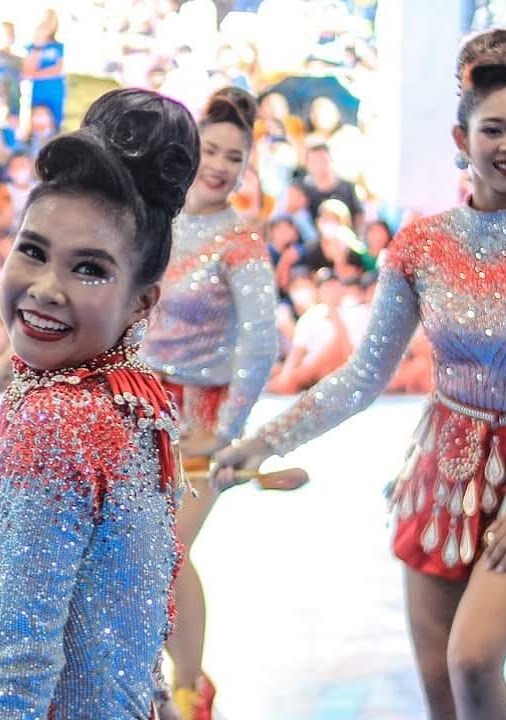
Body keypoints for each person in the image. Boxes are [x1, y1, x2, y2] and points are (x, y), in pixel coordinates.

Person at [210, 29, 506, 720]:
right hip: (441, 474)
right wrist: (266, 441)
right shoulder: (420, 244)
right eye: (494, 129)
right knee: (443, 690)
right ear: (459, 136)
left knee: (475, 661)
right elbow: (361, 378)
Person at [0, 87, 200, 718]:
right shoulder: (128, 395)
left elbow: (17, 669)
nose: (44, 289)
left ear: (142, 302)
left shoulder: (60, 420)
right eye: (32, 251)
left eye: (88, 269)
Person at [140, 85, 304, 720]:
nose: (219, 166)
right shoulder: (151, 217)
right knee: (140, 552)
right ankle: (169, 681)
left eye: (234, 157)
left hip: (203, 421)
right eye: (210, 150)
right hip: (138, 408)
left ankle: (188, 689)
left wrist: (230, 432)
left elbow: (260, 348)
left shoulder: (242, 245)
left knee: (168, 551)